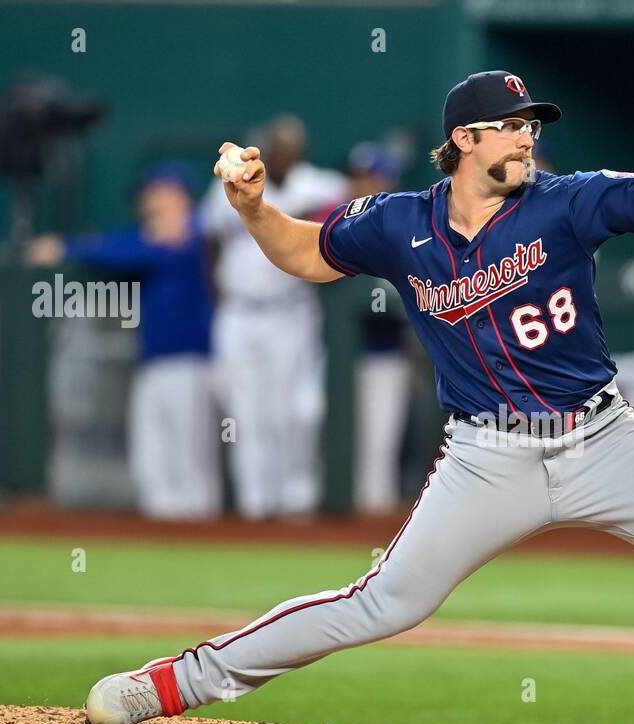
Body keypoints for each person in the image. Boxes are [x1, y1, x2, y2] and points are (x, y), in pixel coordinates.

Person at [85, 70, 634, 724]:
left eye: (531, 125)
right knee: (382, 603)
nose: (527, 139)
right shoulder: (397, 223)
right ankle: (177, 682)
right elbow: (301, 253)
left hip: (603, 438)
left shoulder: (567, 200)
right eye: (511, 127)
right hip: (487, 455)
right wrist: (255, 208)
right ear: (466, 142)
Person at [28, 163, 220, 520]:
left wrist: (66, 246)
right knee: (150, 457)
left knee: (189, 458)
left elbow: (129, 251)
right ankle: (161, 537)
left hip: (190, 363)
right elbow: (127, 248)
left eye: (156, 194)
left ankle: (199, 535)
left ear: (177, 196)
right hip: (154, 363)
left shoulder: (194, 232)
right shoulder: (154, 236)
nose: (148, 203)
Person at [202, 116, 349, 519]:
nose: (284, 154)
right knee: (244, 411)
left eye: (291, 148)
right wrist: (216, 295)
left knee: (297, 411)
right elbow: (209, 238)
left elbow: (355, 195)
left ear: (299, 152)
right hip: (239, 311)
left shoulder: (315, 183)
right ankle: (254, 505)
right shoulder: (234, 183)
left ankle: (296, 502)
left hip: (291, 312)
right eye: (278, 146)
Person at [345, 141, 413, 513]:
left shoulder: (407, 226)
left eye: (372, 178)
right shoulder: (337, 221)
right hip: (328, 351)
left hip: (386, 353)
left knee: (380, 439)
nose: (365, 185)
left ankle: (373, 520)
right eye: (359, 178)